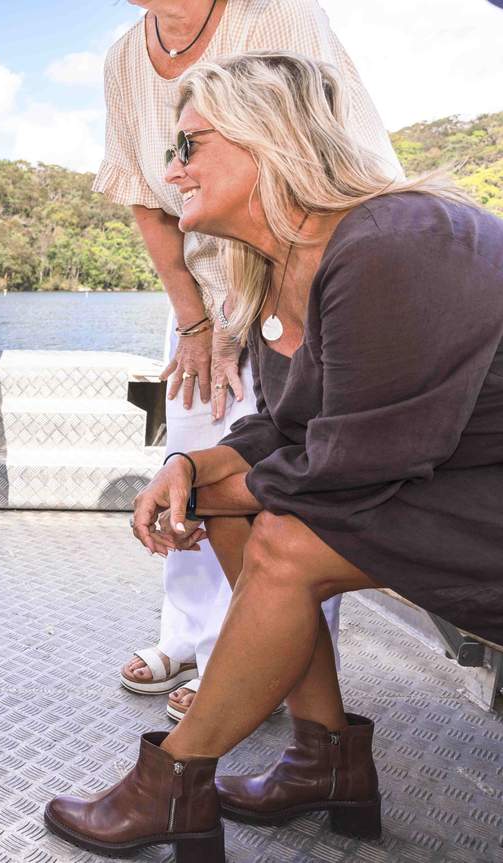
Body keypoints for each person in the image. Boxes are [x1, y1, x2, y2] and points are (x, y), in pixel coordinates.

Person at [45, 51, 503, 861]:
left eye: (188, 145)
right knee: (234, 500)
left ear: (269, 139)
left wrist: (235, 475)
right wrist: (190, 469)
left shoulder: (395, 241)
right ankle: (322, 758)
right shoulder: (274, 273)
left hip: (473, 484)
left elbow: (356, 458)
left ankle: (173, 784)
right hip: (444, 475)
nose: (171, 172)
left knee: (285, 538)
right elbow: (293, 432)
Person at [99, 0, 401, 722]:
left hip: (305, 271)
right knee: (195, 465)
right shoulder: (121, 58)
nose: (175, 167)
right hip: (211, 289)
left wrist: (271, 299)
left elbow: (311, 159)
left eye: (187, 149)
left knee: (286, 482)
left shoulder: (280, 15)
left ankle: (265, 660)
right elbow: (147, 196)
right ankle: (196, 636)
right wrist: (197, 319)